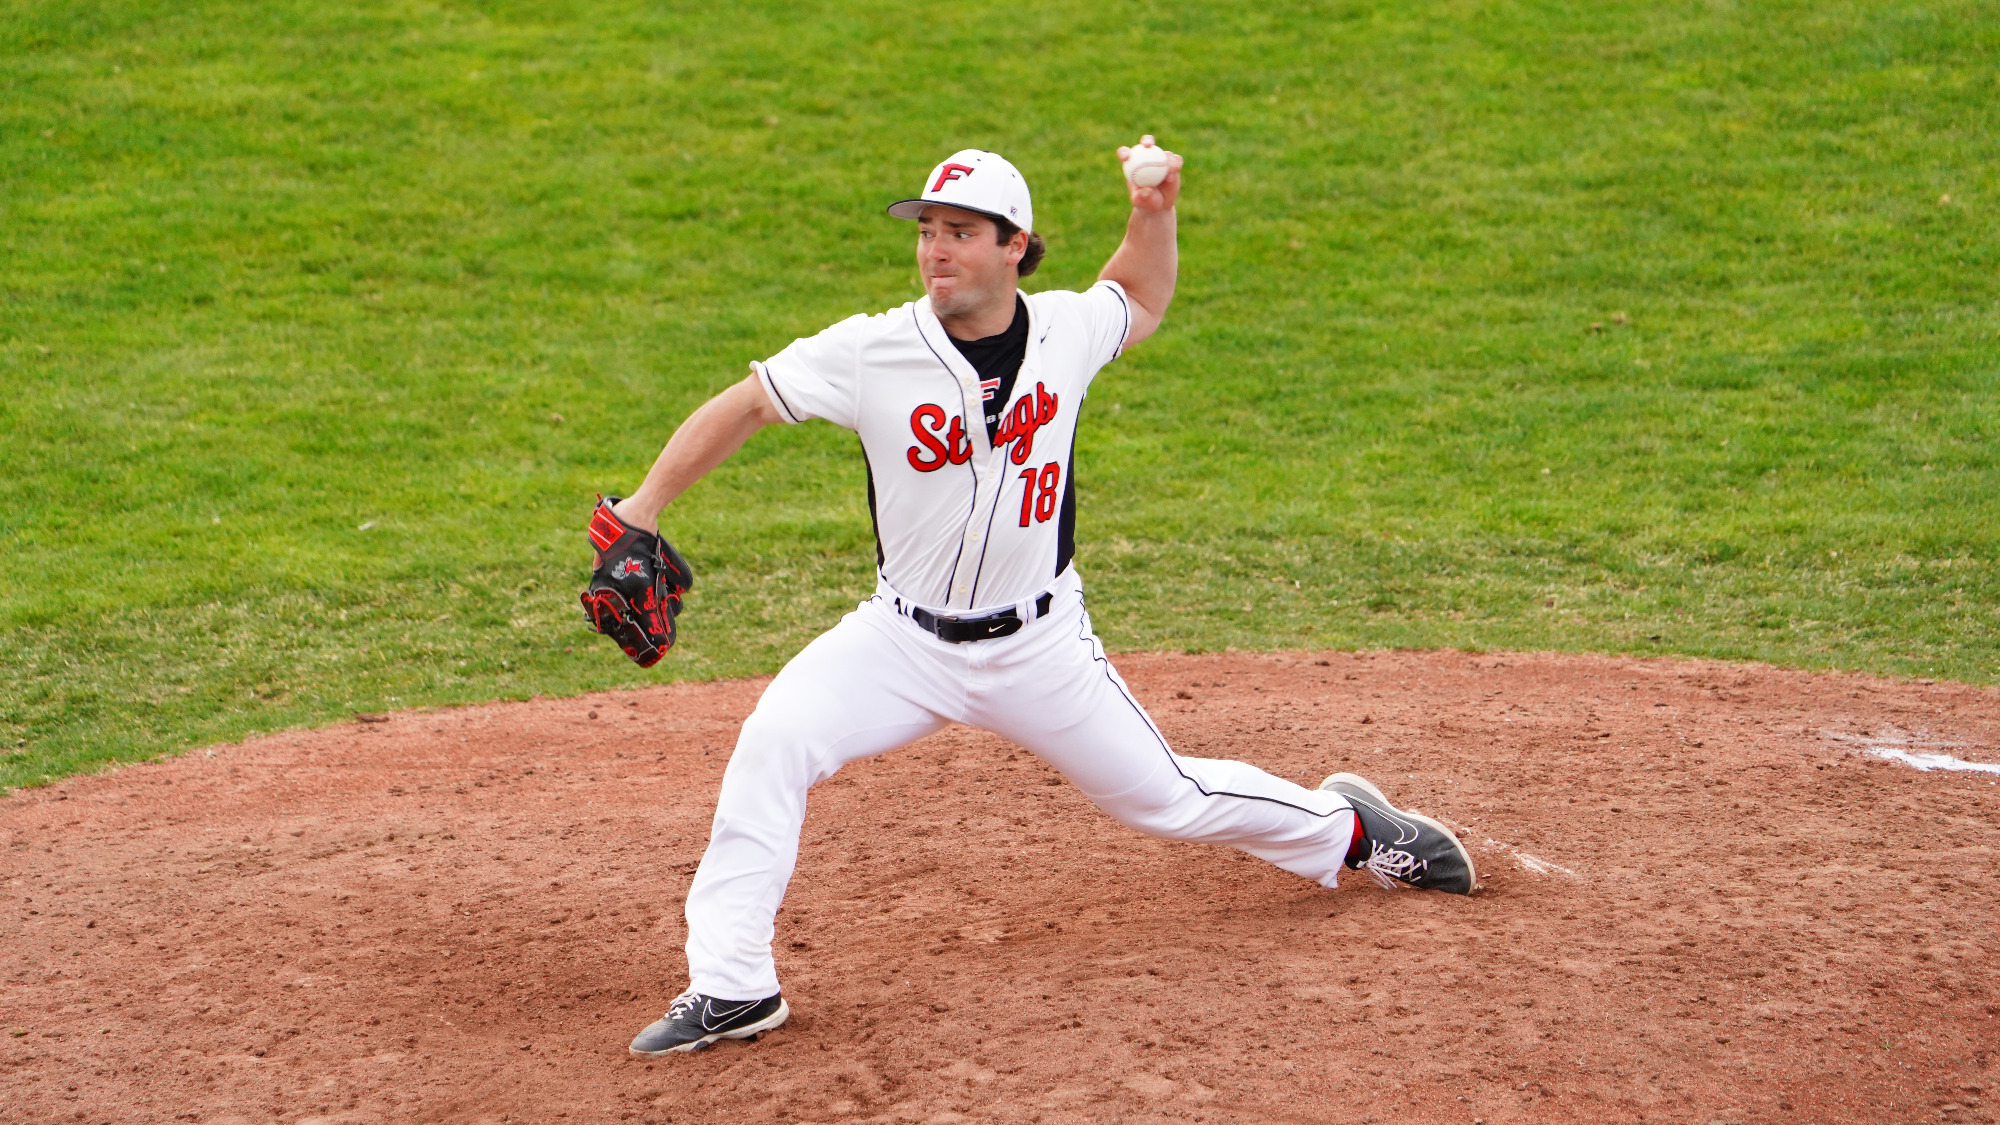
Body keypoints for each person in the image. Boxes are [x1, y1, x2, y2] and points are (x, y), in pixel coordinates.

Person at [604, 140, 1476, 1057]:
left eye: (960, 233)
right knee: (773, 742)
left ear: (1015, 245)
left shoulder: (1066, 330)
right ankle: (734, 985)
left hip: (1039, 647)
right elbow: (748, 401)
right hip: (901, 645)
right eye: (927, 231)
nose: (935, 250)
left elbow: (1139, 297)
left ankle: (1351, 829)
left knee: (1166, 798)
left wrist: (1152, 210)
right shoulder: (870, 350)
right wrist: (640, 511)